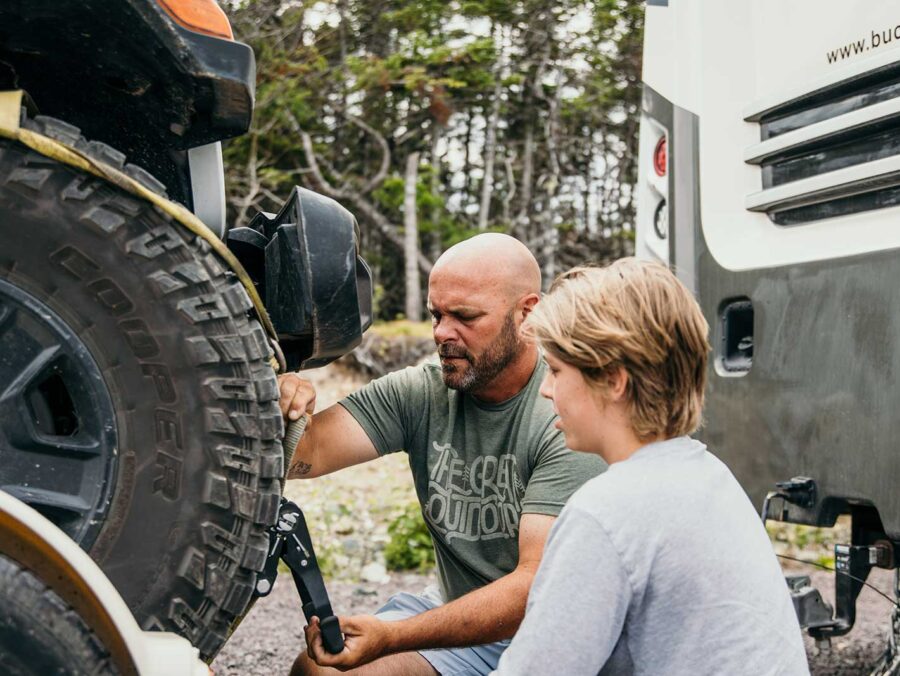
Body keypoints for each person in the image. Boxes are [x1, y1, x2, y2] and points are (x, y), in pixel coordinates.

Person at [278, 233, 605, 676]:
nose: (442, 333)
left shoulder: (564, 412)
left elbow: (535, 588)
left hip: (545, 634)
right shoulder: (423, 392)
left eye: (465, 317)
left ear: (527, 314)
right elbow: (308, 451)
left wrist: (395, 635)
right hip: (457, 619)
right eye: (436, 315)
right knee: (317, 671)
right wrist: (279, 403)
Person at [492, 258, 809, 675]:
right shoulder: (709, 473)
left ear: (614, 380)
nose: (546, 391)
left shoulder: (607, 512)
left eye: (555, 371)